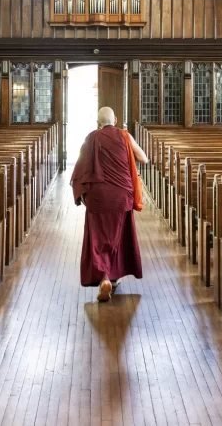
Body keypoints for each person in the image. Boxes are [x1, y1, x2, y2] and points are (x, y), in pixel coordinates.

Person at [71, 107, 149, 302]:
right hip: (121, 196)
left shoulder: (91, 138)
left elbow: (79, 169)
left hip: (97, 198)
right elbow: (144, 158)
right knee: (118, 238)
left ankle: (104, 278)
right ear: (115, 120)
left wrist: (82, 194)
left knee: (98, 238)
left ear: (98, 123)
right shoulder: (124, 136)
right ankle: (112, 278)